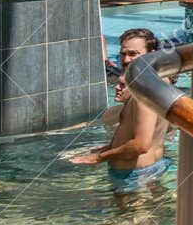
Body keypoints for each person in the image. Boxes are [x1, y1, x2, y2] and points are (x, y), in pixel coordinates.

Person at [70, 27, 170, 193]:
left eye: (133, 53)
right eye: (123, 53)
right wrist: (109, 148)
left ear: (151, 53)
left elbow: (141, 145)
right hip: (148, 169)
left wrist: (99, 158)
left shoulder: (144, 91)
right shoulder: (160, 81)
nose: (125, 60)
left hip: (134, 176)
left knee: (132, 219)